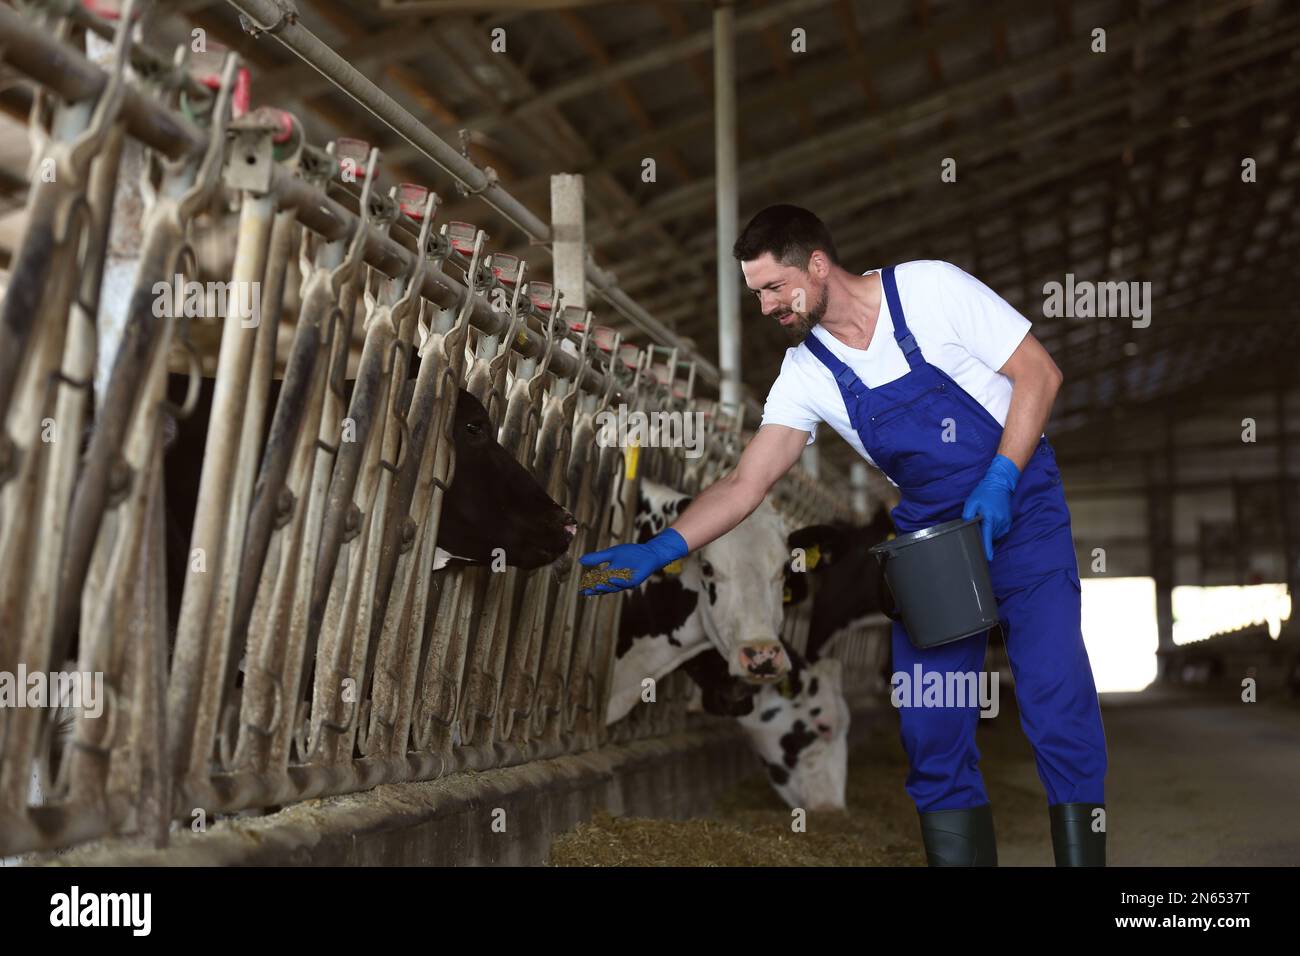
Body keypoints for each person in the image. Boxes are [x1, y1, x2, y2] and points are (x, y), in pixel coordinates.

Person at [577, 204, 1107, 867]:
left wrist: (1001, 477)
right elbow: (747, 483)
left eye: (773, 287)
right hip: (935, 541)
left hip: (1021, 512)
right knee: (932, 728)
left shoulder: (930, 290)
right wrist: (662, 548)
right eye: (757, 293)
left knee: (1056, 698)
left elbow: (1040, 373)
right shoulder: (808, 374)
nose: (767, 305)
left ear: (818, 265)